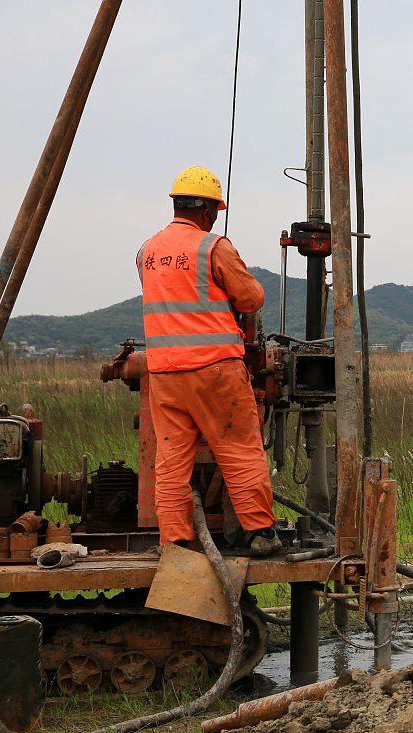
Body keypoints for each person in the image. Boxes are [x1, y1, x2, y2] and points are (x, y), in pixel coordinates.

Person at [137, 166, 280, 555]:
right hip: (214, 369)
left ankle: (176, 540)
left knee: (170, 458)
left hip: (164, 372)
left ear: (177, 205)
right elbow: (250, 300)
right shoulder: (213, 247)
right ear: (210, 212)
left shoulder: (146, 252)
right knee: (239, 446)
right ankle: (260, 532)